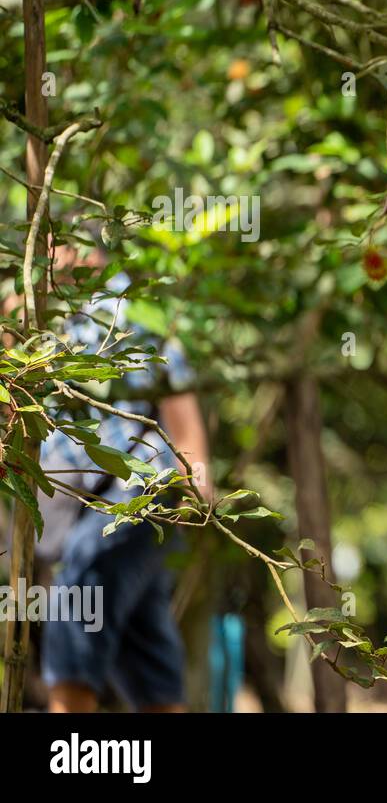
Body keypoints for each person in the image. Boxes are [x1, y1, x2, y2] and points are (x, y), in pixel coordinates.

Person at [27, 241, 213, 712]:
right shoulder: (43, 319)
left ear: (90, 252)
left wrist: (195, 488)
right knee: (142, 643)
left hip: (137, 496)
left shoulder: (131, 314)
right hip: (82, 508)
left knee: (79, 588)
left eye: (63, 247)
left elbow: (182, 416)